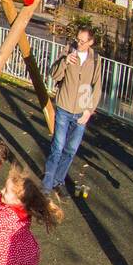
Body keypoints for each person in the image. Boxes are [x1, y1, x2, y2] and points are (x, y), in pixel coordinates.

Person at [41, 26, 103, 195]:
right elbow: (54, 74)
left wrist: (89, 110)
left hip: (82, 111)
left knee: (70, 150)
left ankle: (58, 181)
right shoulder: (68, 52)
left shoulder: (96, 60)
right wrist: (65, 61)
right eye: (77, 39)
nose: (79, 43)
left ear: (91, 42)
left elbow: (97, 87)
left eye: (83, 41)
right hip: (64, 106)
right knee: (58, 147)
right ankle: (46, 185)